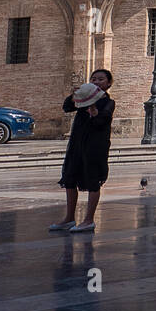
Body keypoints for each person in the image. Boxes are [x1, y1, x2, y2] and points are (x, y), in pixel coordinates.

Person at [51, 69, 115, 233]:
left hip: (95, 146)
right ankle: (69, 218)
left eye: (101, 79)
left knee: (93, 181)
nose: (96, 81)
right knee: (70, 178)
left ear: (108, 84)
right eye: (93, 79)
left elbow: (102, 122)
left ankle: (89, 220)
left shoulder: (108, 102)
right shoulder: (82, 101)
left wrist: (94, 112)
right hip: (77, 144)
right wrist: (75, 95)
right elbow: (66, 107)